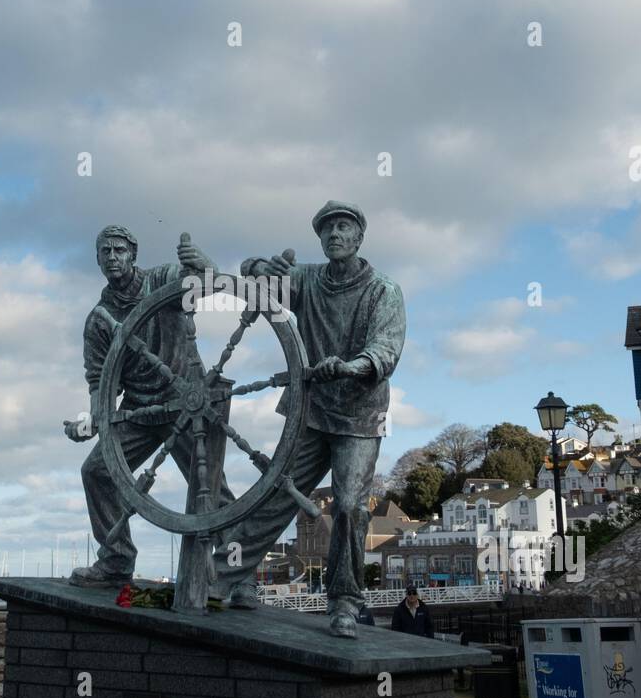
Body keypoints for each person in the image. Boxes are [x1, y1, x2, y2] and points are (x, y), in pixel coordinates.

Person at [211, 200, 406, 638]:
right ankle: (229, 576)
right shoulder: (308, 280)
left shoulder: (384, 290)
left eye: (343, 227)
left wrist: (353, 366)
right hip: (312, 408)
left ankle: (344, 602)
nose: (335, 234)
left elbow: (386, 349)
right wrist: (262, 265)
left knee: (350, 507)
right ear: (320, 239)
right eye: (327, 229)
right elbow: (250, 273)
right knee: (275, 491)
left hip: (359, 415)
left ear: (358, 238)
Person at [65, 225, 225, 587]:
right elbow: (100, 382)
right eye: (104, 252)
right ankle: (117, 560)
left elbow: (213, 284)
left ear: (133, 254)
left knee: (214, 489)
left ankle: (236, 572)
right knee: (97, 471)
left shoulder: (163, 280)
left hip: (187, 406)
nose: (112, 258)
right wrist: (91, 422)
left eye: (119, 250)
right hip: (140, 412)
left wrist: (205, 264)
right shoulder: (99, 320)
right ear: (97, 260)